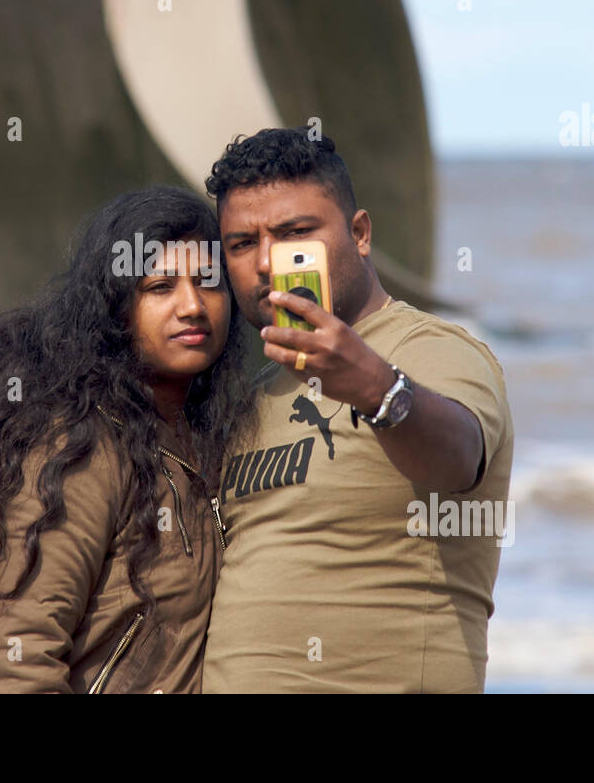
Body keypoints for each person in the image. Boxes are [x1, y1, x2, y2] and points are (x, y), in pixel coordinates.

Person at [0, 186, 255, 693]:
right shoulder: (75, 447)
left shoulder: (198, 440)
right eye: (160, 287)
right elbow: (17, 661)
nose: (192, 306)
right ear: (114, 308)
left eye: (208, 282)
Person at [200, 127, 514, 693]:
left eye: (296, 234)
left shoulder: (434, 350)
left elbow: (459, 459)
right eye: (243, 244)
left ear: (360, 234)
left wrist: (377, 389)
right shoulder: (255, 395)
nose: (268, 263)